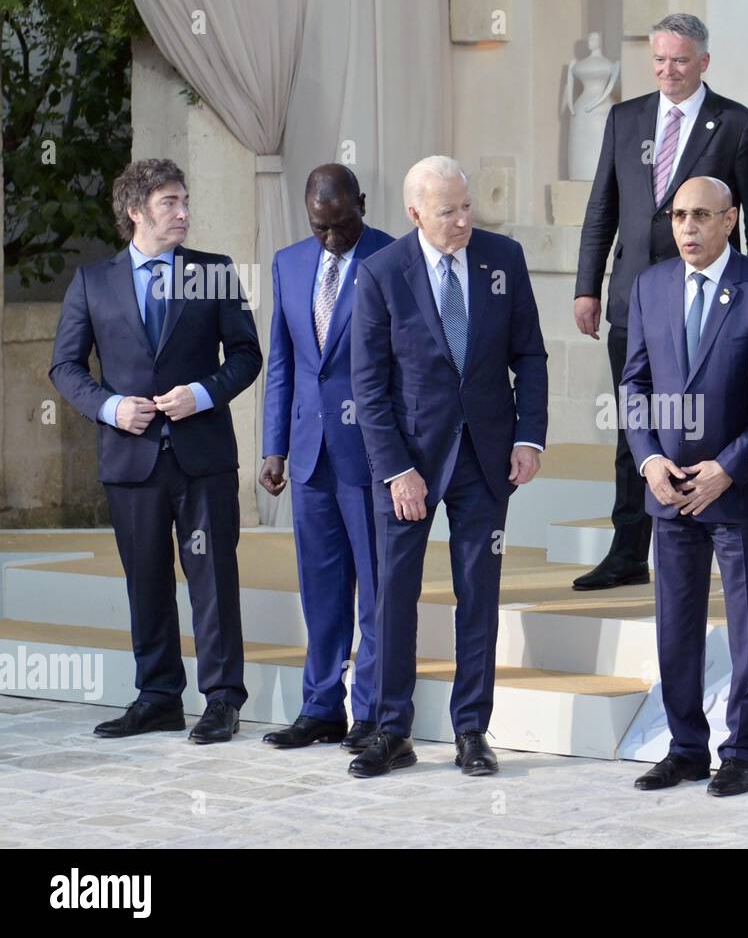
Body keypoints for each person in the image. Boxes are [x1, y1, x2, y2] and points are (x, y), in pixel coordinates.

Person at [49, 158, 261, 743]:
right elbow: (64, 367)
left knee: (214, 578)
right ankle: (159, 695)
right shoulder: (93, 281)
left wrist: (202, 393)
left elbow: (247, 355)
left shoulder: (214, 273)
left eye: (186, 200)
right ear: (136, 211)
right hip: (131, 460)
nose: (185, 212)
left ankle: (222, 701)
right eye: (171, 202)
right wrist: (111, 406)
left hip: (204, 458)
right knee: (145, 580)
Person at [348, 156, 547, 778]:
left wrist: (529, 437)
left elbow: (531, 356)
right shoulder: (382, 273)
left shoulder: (503, 258)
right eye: (447, 212)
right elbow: (369, 384)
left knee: (478, 594)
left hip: (486, 458)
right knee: (393, 596)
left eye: (467, 207)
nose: (463, 220)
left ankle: (471, 731)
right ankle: (390, 730)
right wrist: (394, 469)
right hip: (410, 462)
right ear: (414, 214)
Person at [572, 12, 748, 592]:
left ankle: (707, 537)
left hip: (713, 301)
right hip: (636, 298)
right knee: (639, 425)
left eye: (679, 60)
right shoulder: (625, 118)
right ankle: (629, 548)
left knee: (715, 420)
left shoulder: (737, 123)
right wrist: (588, 286)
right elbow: (602, 207)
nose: (667, 70)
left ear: (703, 61)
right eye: (658, 59)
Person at [622, 177, 748, 797]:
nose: (686, 228)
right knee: (676, 624)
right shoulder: (650, 285)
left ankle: (741, 749)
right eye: (679, 215)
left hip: (736, 491)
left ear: (731, 219)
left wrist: (729, 466)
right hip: (669, 490)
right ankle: (685, 746)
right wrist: (649, 460)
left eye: (701, 216)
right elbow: (633, 384)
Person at [259, 165, 394, 752]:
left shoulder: (394, 258)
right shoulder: (288, 263)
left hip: (369, 454)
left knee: (377, 588)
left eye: (342, 225)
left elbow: (407, 364)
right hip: (309, 456)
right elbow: (283, 362)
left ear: (361, 205)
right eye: (321, 227)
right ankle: (320, 708)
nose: (332, 238)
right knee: (320, 591)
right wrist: (274, 447)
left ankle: (370, 713)